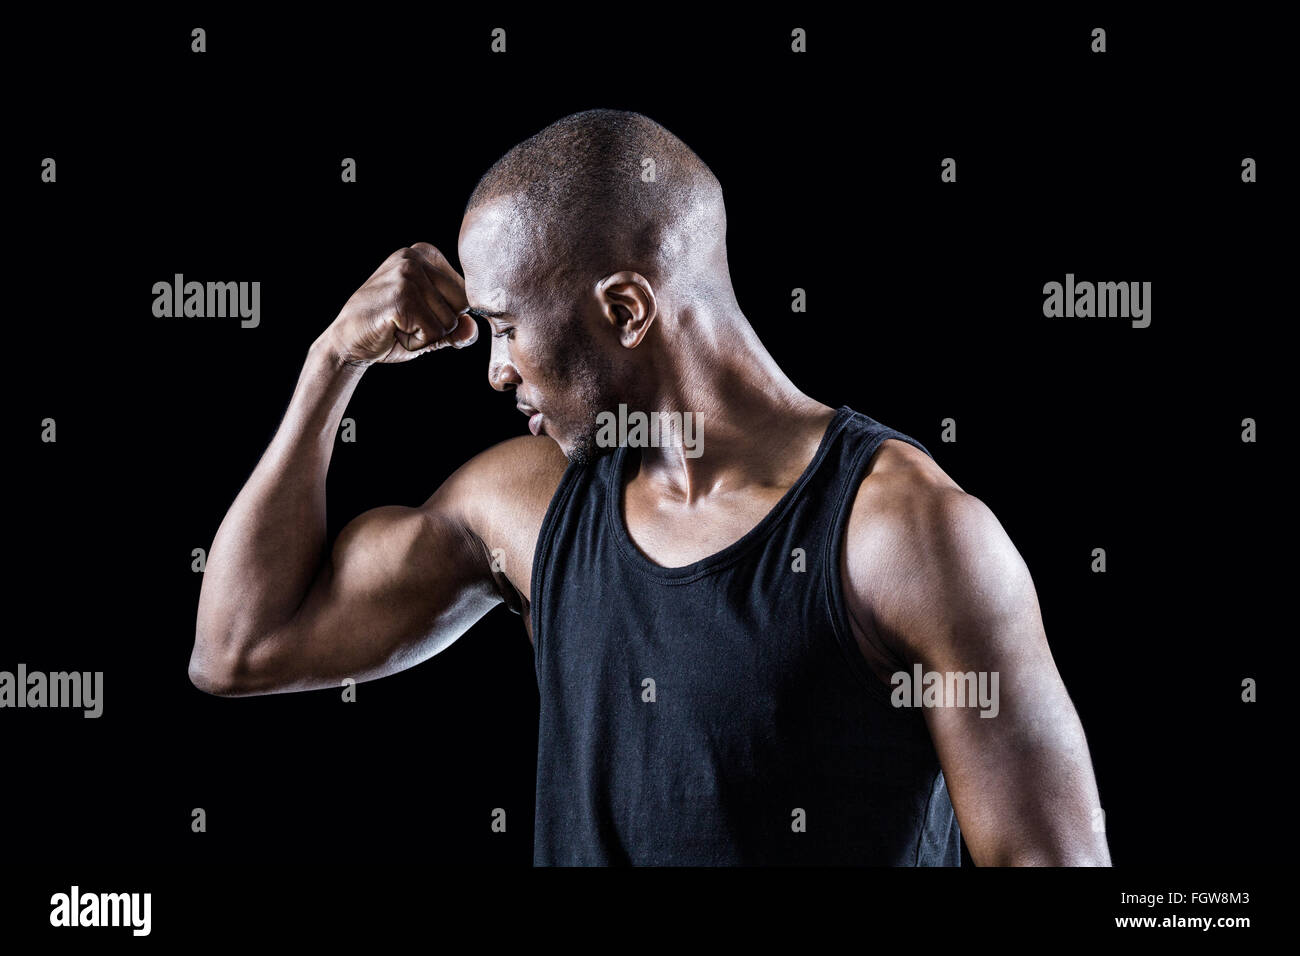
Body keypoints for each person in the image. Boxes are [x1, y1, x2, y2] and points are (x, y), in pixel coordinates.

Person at [190, 109, 1111, 866]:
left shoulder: (905, 536)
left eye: (507, 327)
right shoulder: (529, 503)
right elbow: (239, 647)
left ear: (626, 310)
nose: (496, 371)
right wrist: (331, 363)